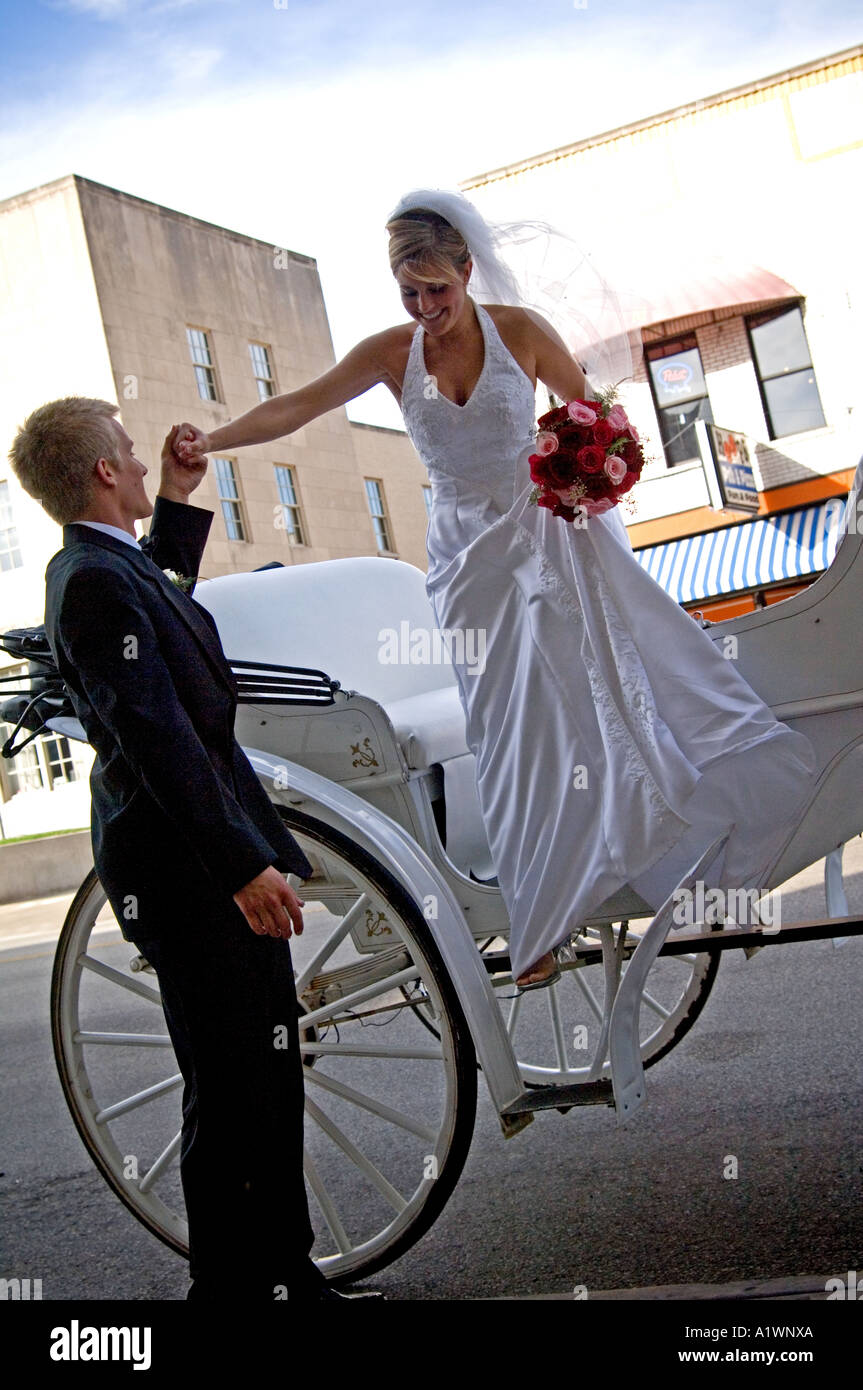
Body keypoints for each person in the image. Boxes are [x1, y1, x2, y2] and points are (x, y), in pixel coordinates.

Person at [174, 189, 816, 991]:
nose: (425, 308)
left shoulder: (519, 332)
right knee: (505, 724)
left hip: (550, 539)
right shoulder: (388, 353)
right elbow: (300, 404)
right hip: (466, 564)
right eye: (409, 294)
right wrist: (215, 442)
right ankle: (535, 915)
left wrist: (584, 465)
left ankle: (643, 848)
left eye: (437, 291)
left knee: (591, 697)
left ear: (466, 271)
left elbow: (595, 417)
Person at [9, 398, 379, 1302]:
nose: (141, 460)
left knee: (266, 1068)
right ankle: (227, 1291)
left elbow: (161, 609)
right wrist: (240, 867)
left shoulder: (107, 569)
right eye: (132, 455)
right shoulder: (90, 583)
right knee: (230, 1081)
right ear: (101, 472)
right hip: (183, 866)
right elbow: (156, 734)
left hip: (198, 852)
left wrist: (177, 496)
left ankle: (283, 1276)